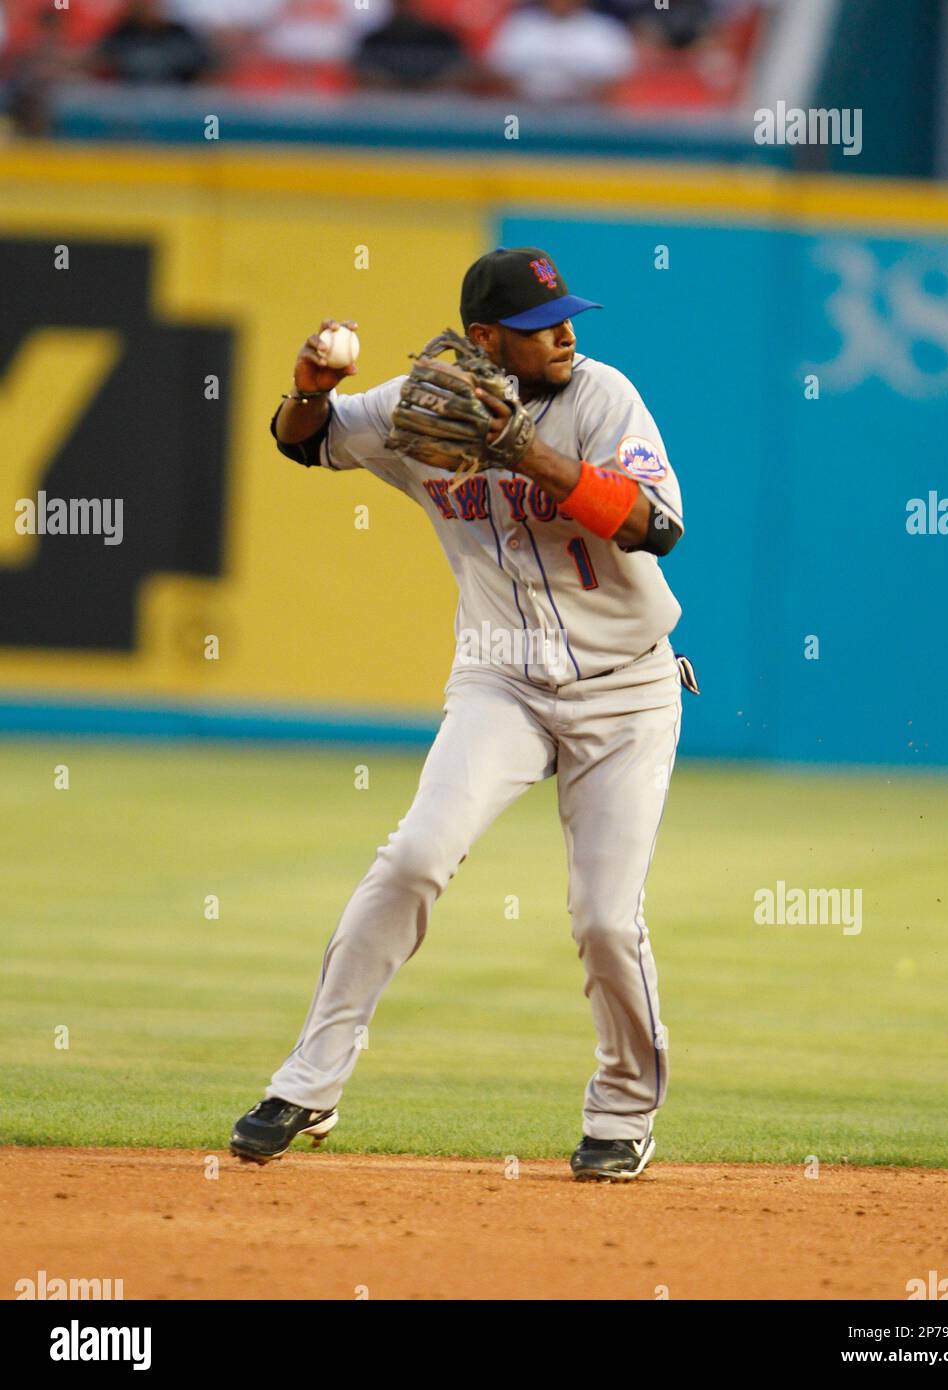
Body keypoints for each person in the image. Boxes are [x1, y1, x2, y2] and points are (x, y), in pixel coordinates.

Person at [230, 246, 693, 1182]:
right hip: (501, 683)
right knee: (411, 857)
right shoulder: (424, 404)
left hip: (629, 687)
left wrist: (529, 453)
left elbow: (657, 526)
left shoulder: (604, 399)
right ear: (486, 339)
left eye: (566, 316)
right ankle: (308, 1082)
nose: (562, 334)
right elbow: (302, 440)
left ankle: (622, 1112)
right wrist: (309, 387)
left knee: (605, 919)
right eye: (537, 326)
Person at [485, 0, 635, 104]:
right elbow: (495, 73)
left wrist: (577, 88)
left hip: (591, 115)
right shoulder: (520, 25)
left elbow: (623, 81)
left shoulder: (605, 30)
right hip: (526, 111)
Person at [353, 0, 468, 90]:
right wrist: (396, 85)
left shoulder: (441, 37)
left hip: (435, 103)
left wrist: (428, 86)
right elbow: (360, 71)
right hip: (387, 103)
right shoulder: (376, 38)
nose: (407, 7)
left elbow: (464, 70)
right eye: (402, 2)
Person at [94, 0, 212, 85]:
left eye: (154, 4)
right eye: (145, 4)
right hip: (129, 100)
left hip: (177, 102)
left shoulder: (181, 35)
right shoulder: (122, 34)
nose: (150, 9)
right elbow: (101, 60)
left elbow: (205, 66)